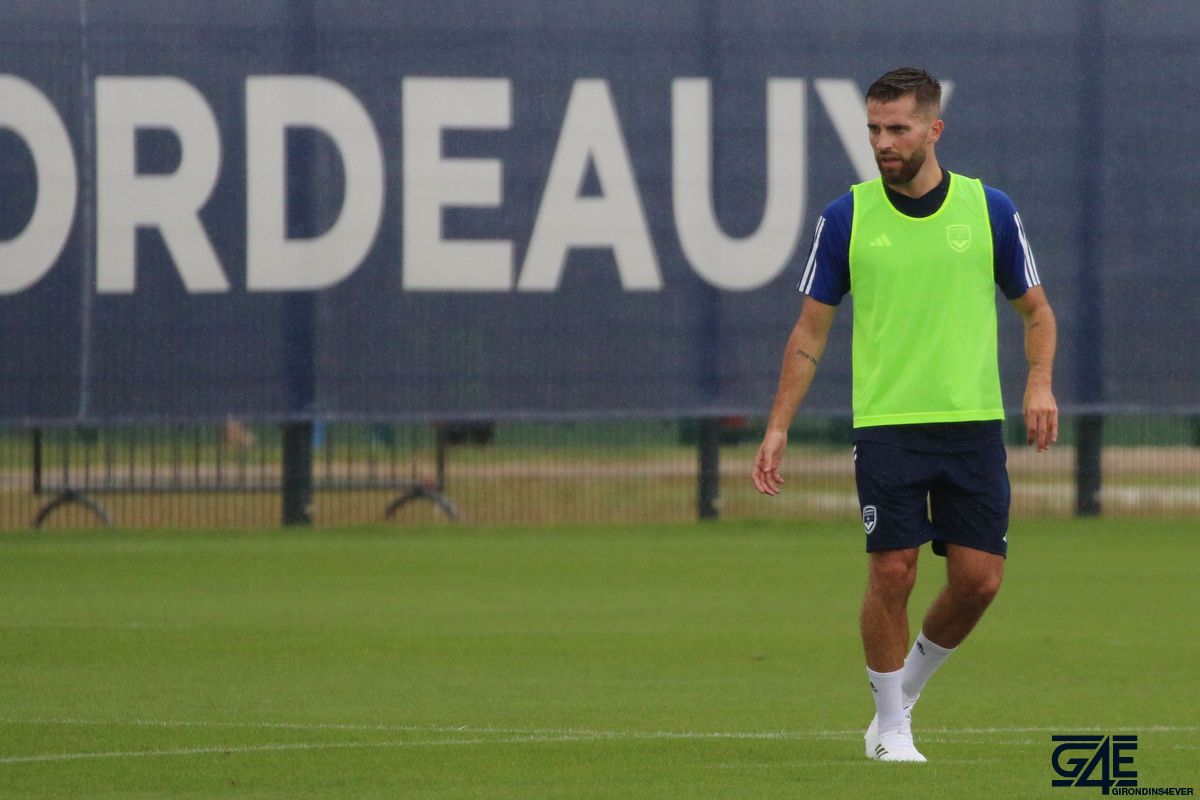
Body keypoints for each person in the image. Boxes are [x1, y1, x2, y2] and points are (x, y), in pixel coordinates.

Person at [751, 67, 1058, 763]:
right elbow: (808, 335)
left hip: (972, 425)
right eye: (874, 129)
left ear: (933, 129)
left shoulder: (989, 209)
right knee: (892, 572)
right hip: (887, 426)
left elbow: (1037, 312)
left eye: (897, 129)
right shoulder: (846, 217)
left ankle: (904, 689)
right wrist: (777, 427)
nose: (883, 143)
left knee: (979, 581)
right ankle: (891, 729)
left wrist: (1039, 383)